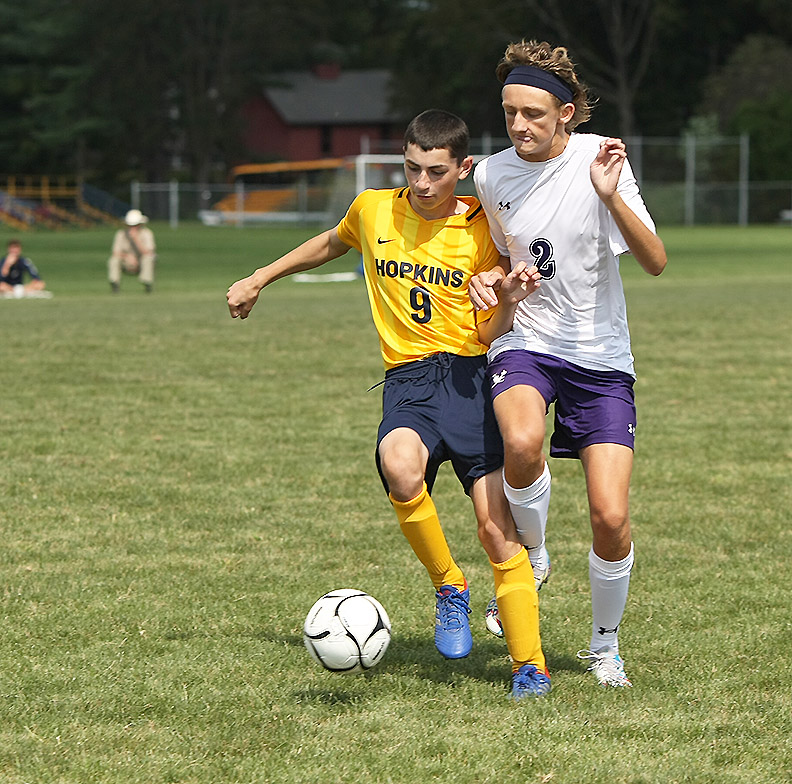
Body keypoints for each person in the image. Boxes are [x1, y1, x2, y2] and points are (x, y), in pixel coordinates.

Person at [227, 109, 551, 700]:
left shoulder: (484, 231)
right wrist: (259, 278)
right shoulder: (374, 208)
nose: (421, 184)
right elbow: (329, 242)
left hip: (474, 382)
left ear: (463, 168)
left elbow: (488, 333)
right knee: (397, 464)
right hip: (408, 382)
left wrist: (504, 298)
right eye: (411, 168)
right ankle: (449, 586)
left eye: (435, 172)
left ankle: (529, 665)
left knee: (495, 531)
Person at [469, 41, 667, 688]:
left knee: (611, 517)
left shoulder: (601, 159)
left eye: (533, 114)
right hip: (526, 341)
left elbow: (655, 260)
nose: (520, 127)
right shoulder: (491, 175)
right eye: (509, 113)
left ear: (569, 114)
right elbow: (500, 253)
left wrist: (610, 197)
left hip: (601, 356)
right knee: (521, 440)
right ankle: (534, 553)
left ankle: (604, 647)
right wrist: (497, 281)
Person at [108, 209, 156, 293]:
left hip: (141, 261)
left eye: (135, 225)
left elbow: (148, 252)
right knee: (114, 260)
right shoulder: (121, 234)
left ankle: (147, 284)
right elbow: (115, 252)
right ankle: (115, 284)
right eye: (130, 225)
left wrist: (136, 239)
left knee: (149, 258)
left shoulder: (147, 233)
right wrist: (128, 256)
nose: (132, 228)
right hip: (126, 261)